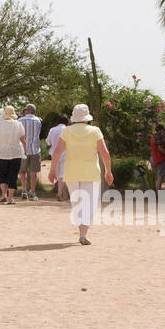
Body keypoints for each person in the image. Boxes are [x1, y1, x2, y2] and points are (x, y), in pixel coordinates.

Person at [48, 103, 114, 245]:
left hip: (71, 172)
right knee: (89, 203)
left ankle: (81, 230)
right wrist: (108, 171)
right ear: (87, 117)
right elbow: (105, 153)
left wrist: (52, 170)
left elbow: (57, 151)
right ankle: (83, 234)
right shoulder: (95, 131)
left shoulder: (66, 131)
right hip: (91, 172)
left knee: (77, 202)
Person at [0, 105, 26, 204]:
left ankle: (3, 195)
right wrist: (26, 151)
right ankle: (10, 198)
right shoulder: (18, 124)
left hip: (2, 153)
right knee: (13, 175)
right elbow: (23, 140)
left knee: (3, 174)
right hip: (16, 153)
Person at [18, 104, 44, 200]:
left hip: (23, 149)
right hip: (35, 149)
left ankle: (24, 190)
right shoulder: (38, 120)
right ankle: (32, 192)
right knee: (34, 172)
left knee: (22, 171)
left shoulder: (20, 120)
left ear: (27, 111)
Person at [45, 114, 68, 200]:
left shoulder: (52, 130)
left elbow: (48, 142)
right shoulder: (67, 130)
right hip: (65, 154)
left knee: (58, 175)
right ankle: (61, 193)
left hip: (54, 154)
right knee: (63, 175)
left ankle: (63, 194)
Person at [149, 122, 165, 189]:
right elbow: (160, 148)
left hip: (153, 158)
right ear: (162, 130)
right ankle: (158, 192)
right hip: (159, 159)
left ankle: (155, 191)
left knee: (156, 177)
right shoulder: (160, 136)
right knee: (160, 176)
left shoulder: (152, 137)